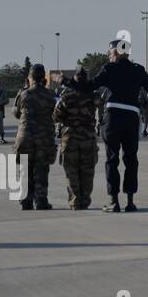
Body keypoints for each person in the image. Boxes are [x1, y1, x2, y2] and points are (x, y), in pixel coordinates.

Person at [91, 34, 148, 212]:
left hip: (113, 118)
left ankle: (114, 201)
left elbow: (92, 85)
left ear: (116, 52)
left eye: (110, 52)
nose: (108, 55)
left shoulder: (109, 68)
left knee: (112, 160)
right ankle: (130, 201)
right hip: (132, 119)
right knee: (131, 160)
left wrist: (71, 83)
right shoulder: (138, 70)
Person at [53, 68, 100, 209]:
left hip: (70, 137)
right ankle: (85, 200)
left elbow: (56, 117)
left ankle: (75, 200)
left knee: (71, 171)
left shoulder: (66, 96)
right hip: (88, 137)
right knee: (87, 171)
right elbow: (101, 103)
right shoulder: (93, 95)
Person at [12, 64, 57, 210]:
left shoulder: (24, 94)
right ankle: (41, 200)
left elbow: (16, 113)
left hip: (26, 136)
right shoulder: (50, 95)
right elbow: (55, 114)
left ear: (30, 78)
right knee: (42, 169)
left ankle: (25, 200)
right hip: (44, 137)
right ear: (44, 77)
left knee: (25, 168)